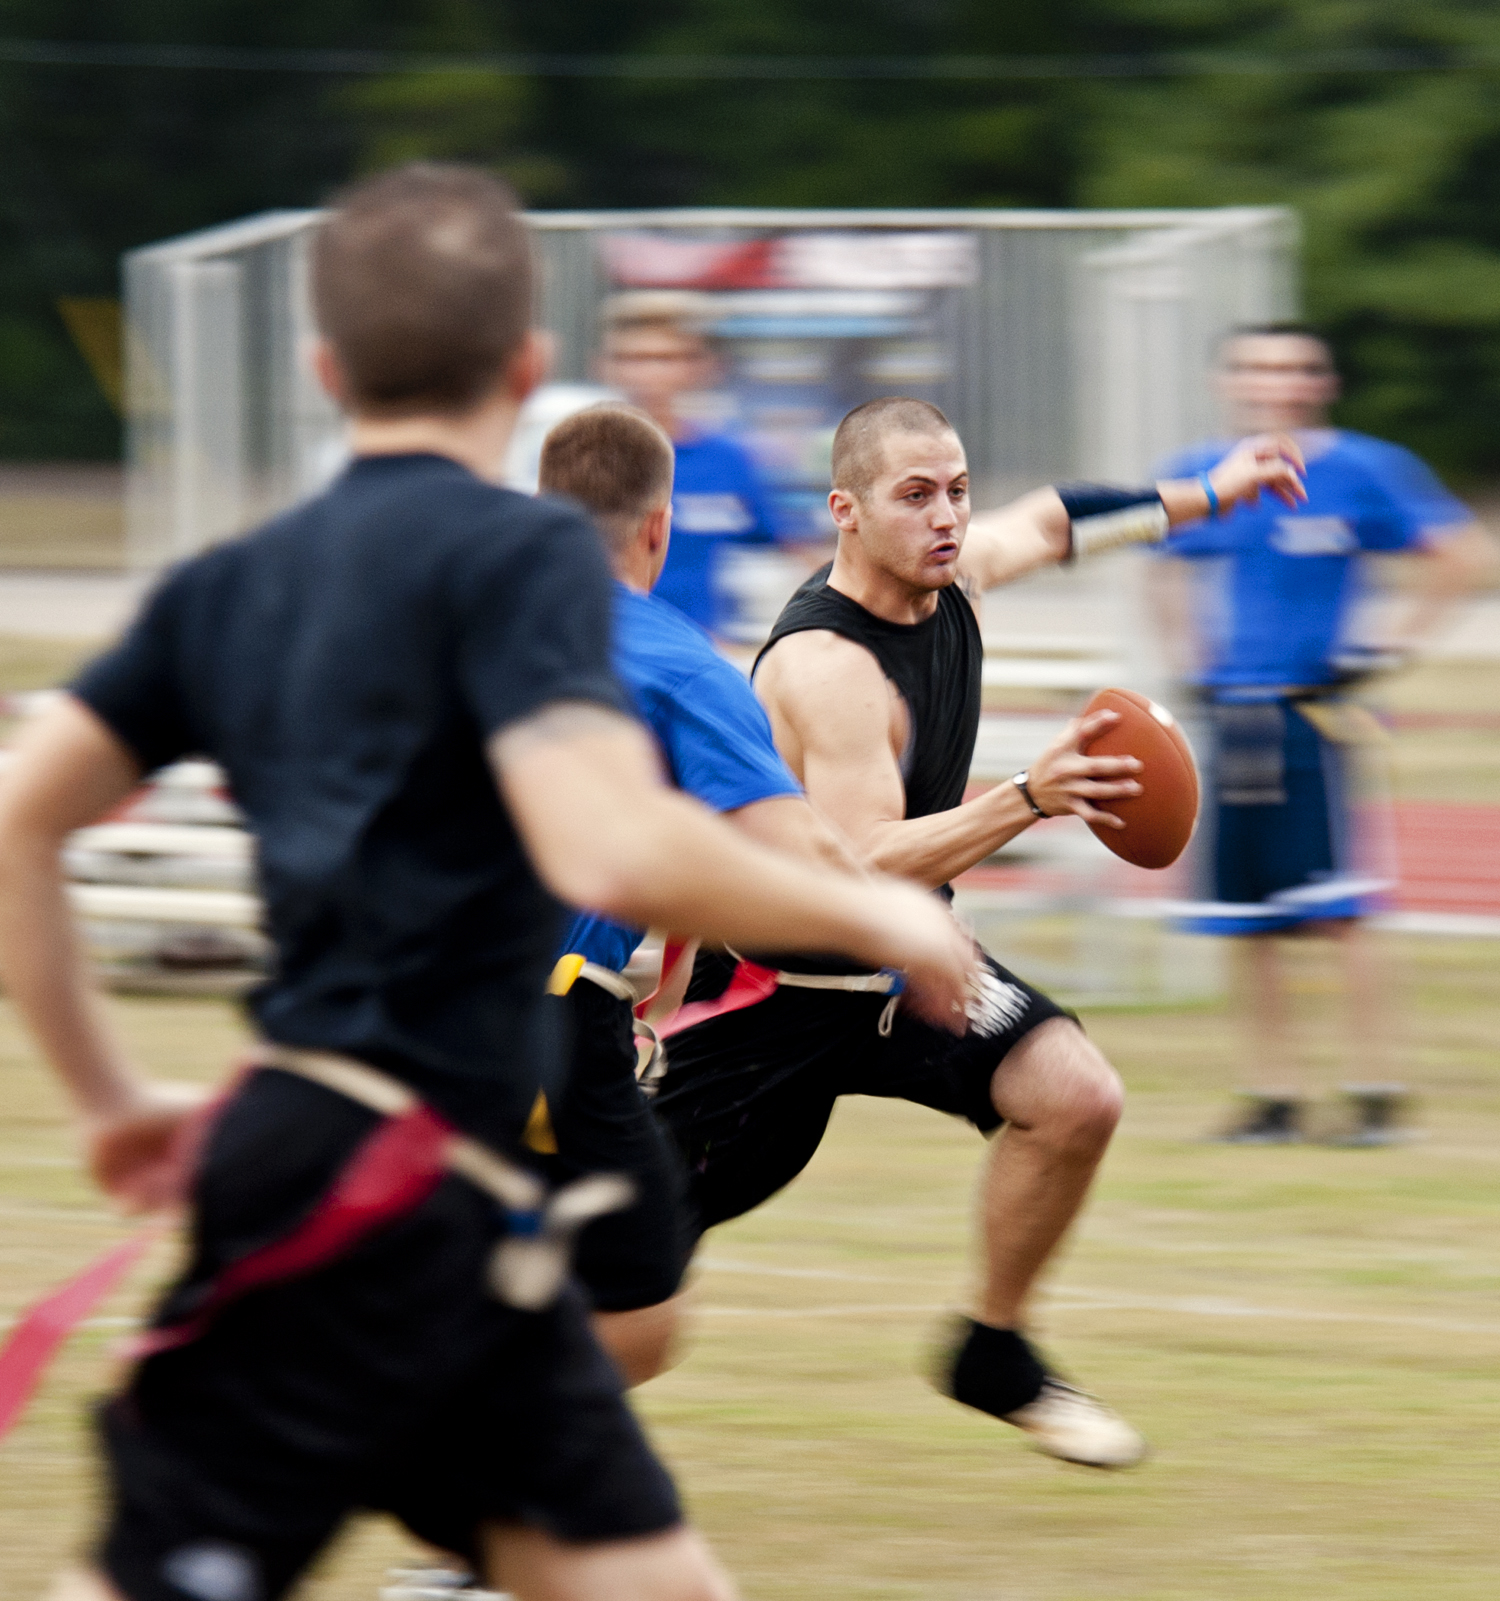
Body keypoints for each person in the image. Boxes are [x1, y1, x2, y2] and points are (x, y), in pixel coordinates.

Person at [0, 163, 1099, 1601]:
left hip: (421, 1191)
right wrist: (891, 920)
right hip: (379, 1189)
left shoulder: (238, 579)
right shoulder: (546, 578)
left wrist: (107, 1099)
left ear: (326, 368)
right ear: (523, 369)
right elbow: (620, 840)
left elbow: (27, 813)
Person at [649, 396, 1306, 1470]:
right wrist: (1027, 797)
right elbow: (860, 864)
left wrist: (1208, 492)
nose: (947, 516)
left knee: (1076, 1097)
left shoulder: (955, 580)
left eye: (956, 490)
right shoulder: (827, 666)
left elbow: (1051, 520)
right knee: (627, 1284)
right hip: (773, 995)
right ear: (847, 512)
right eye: (916, 496)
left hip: (910, 967)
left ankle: (991, 1352)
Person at [533, 400, 862, 1394]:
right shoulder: (678, 667)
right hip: (538, 1013)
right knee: (637, 1305)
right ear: (659, 527)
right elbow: (797, 854)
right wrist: (916, 934)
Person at [1147, 324, 1491, 1145]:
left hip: (1313, 715)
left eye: (1298, 367)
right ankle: (1273, 1098)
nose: (1279, 382)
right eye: (1259, 367)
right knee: (1247, 918)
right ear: (1230, 381)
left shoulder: (1363, 469)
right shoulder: (1200, 471)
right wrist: (1187, 658)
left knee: (1340, 911)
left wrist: (1380, 651)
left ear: (1323, 382)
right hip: (1234, 714)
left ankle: (1375, 1095)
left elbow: (1463, 555)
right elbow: (1162, 564)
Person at [597, 290, 819, 636]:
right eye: (635, 358)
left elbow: (797, 549)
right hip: (609, 648)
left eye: (667, 358)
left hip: (700, 649)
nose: (651, 373)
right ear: (605, 366)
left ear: (700, 367)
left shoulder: (728, 462)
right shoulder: (585, 457)